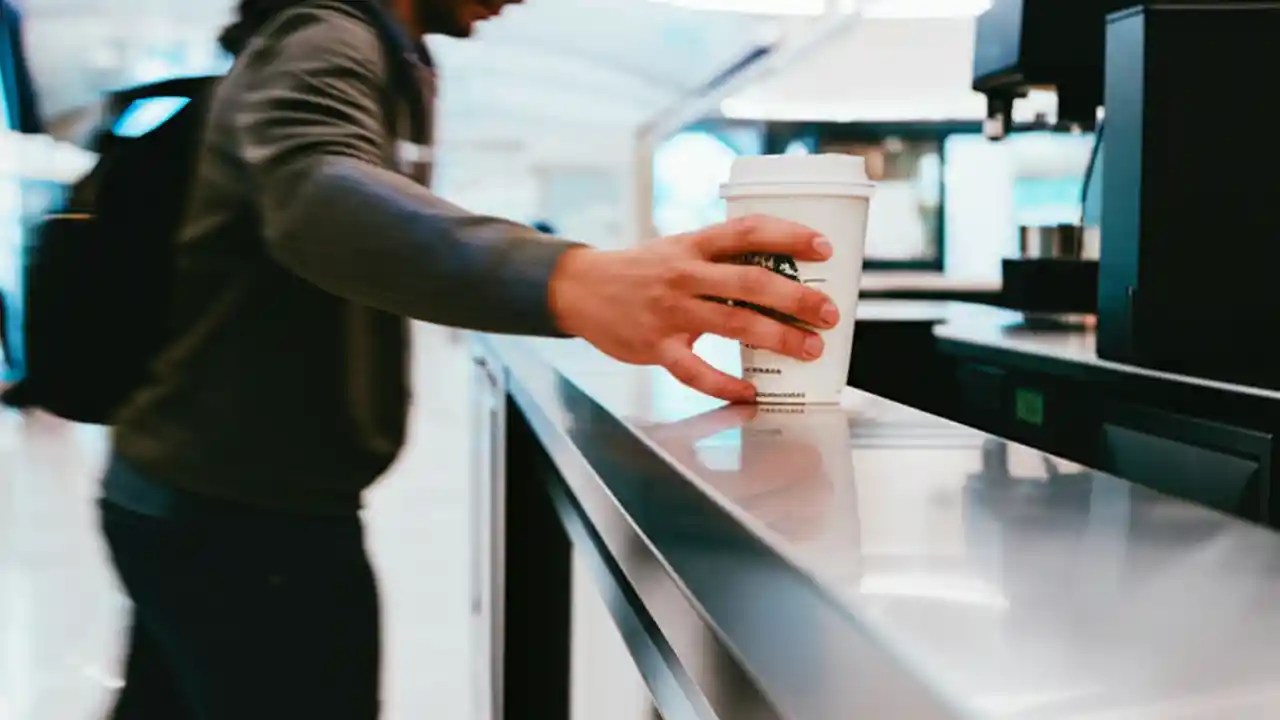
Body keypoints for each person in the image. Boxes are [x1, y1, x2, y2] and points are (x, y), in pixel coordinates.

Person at [99, 0, 841, 717]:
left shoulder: (381, 51)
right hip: (241, 517)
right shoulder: (323, 31)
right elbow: (315, 193)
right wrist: (571, 279)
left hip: (189, 488)